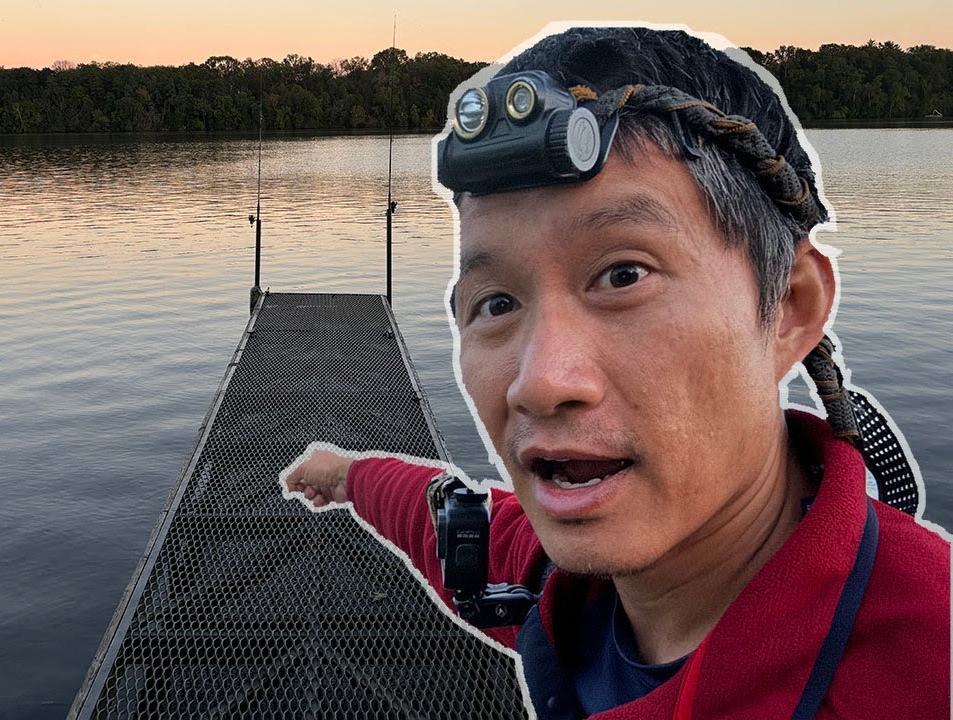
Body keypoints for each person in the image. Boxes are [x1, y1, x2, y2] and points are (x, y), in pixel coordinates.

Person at [282, 26, 950, 720]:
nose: (539, 382)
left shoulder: (928, 666)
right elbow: (457, 531)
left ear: (789, 306)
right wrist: (345, 474)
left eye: (623, 275)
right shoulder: (563, 590)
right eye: (497, 303)